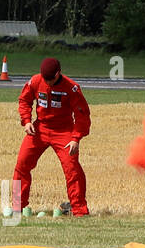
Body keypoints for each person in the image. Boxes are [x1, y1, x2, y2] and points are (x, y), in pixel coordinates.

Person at [13, 57, 91, 216]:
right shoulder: (35, 81)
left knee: (72, 168)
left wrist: (75, 138)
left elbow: (82, 115)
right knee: (22, 164)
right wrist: (27, 121)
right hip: (39, 129)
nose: (47, 83)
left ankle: (79, 210)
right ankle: (17, 207)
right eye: (45, 79)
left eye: (51, 79)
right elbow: (24, 100)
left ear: (58, 73)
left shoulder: (72, 88)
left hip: (64, 132)